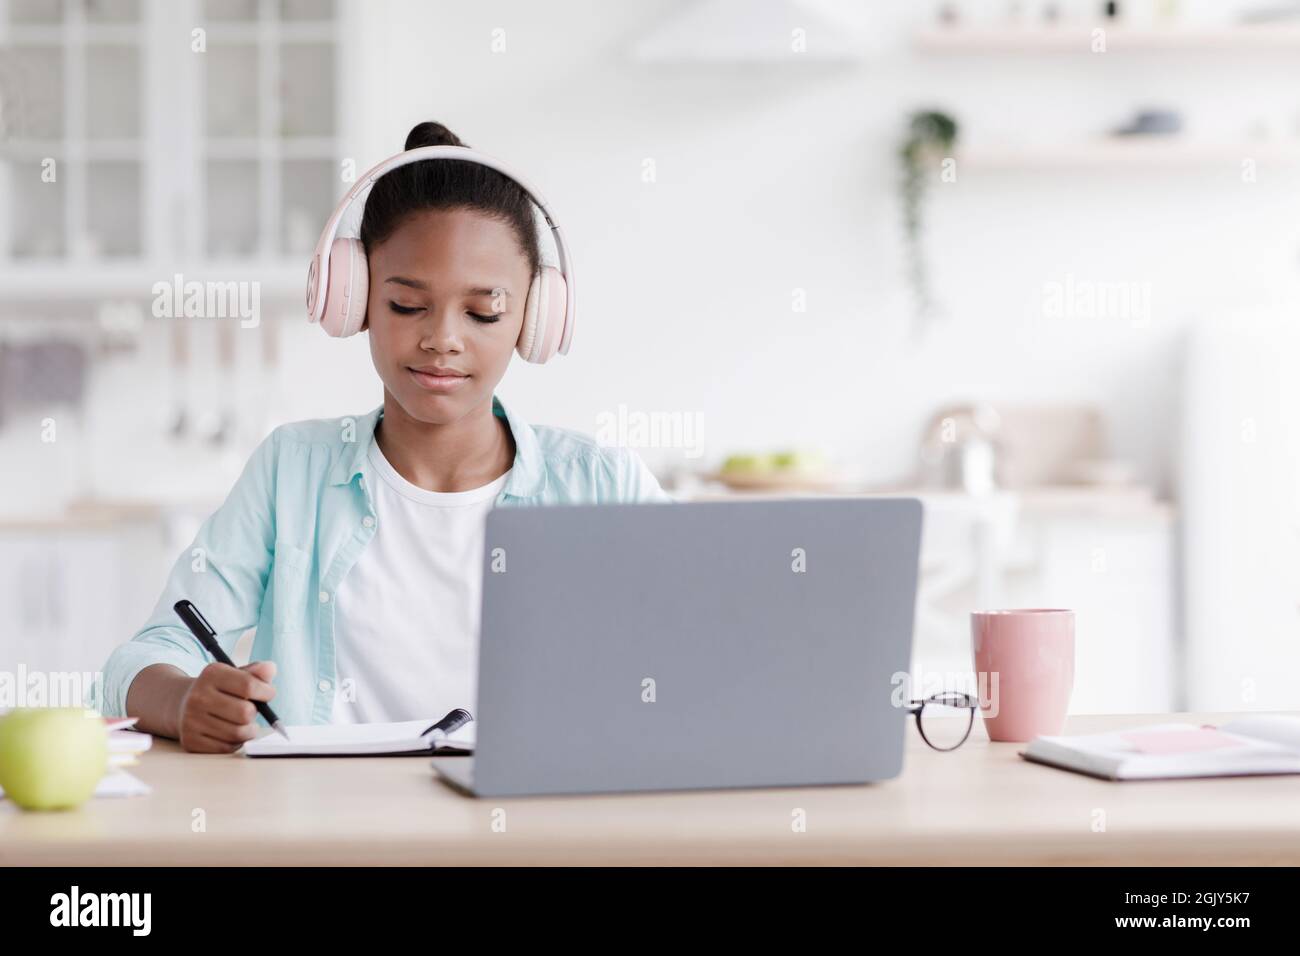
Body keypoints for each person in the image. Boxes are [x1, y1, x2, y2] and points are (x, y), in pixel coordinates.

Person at [90, 121, 670, 753]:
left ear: (535, 315)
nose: (443, 339)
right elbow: (142, 658)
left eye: (483, 312)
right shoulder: (293, 471)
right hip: (328, 833)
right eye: (406, 305)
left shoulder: (602, 484)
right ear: (356, 298)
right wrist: (181, 700)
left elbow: (700, 654)